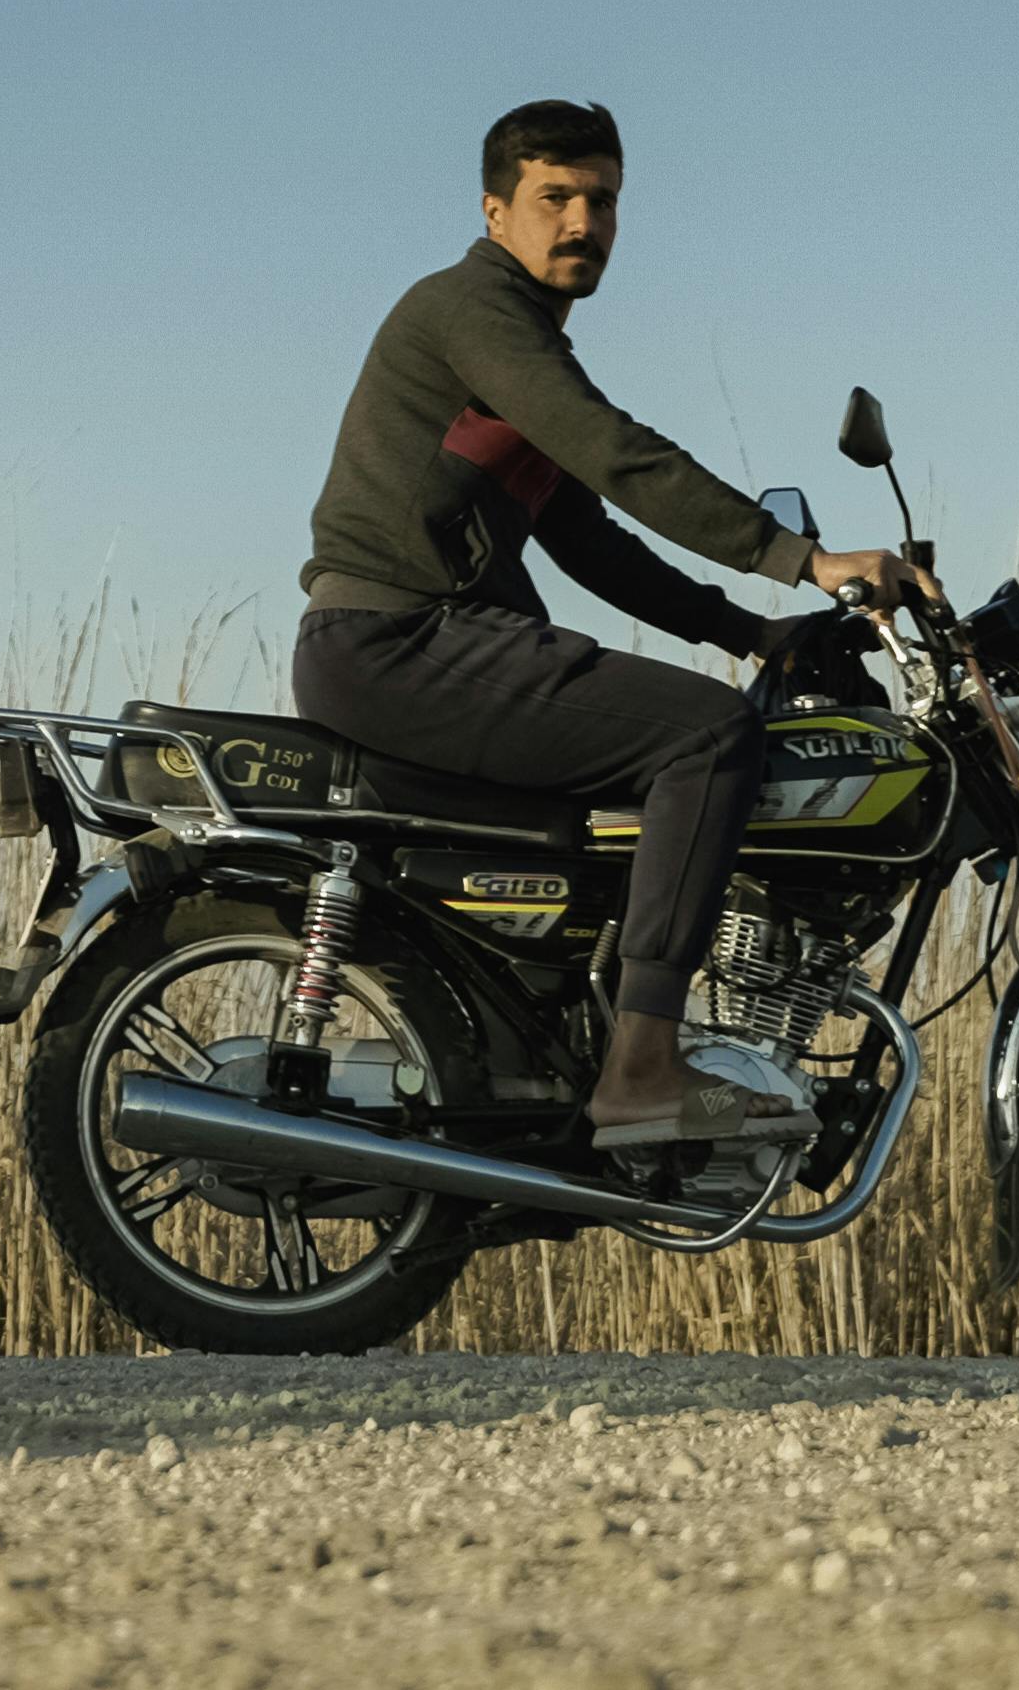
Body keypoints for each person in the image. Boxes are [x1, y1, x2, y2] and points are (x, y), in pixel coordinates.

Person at [292, 99, 897, 1149]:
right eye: (554, 197)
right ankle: (644, 1071)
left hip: (418, 642)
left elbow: (590, 537)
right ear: (495, 213)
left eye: (601, 199)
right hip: (395, 641)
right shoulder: (476, 315)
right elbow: (611, 448)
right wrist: (799, 557)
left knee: (652, 761)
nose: (582, 220)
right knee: (706, 738)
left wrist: (750, 632)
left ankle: (569, 1053)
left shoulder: (515, 349)